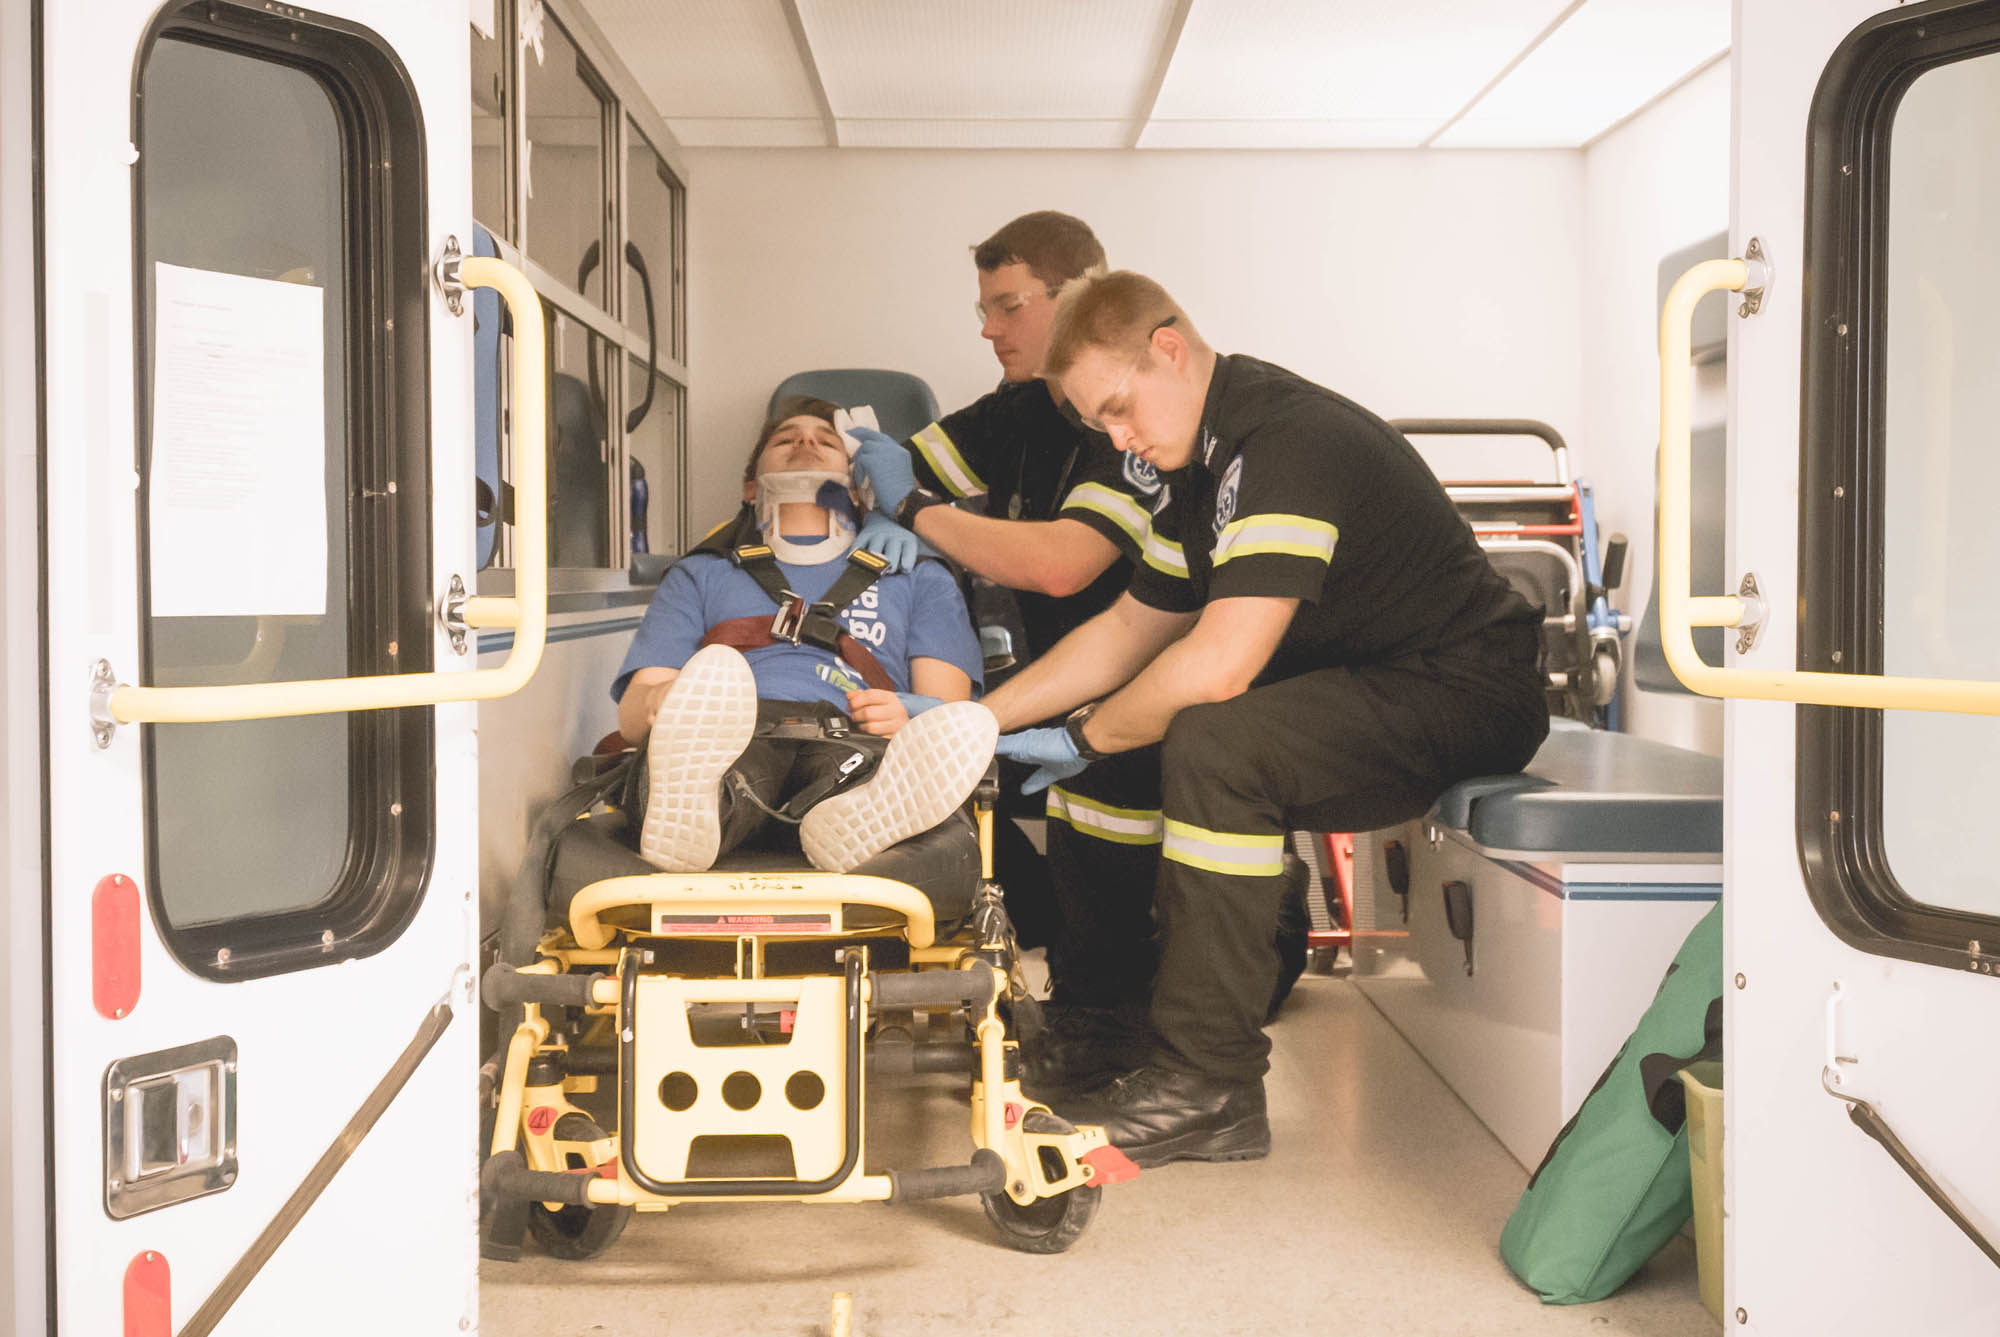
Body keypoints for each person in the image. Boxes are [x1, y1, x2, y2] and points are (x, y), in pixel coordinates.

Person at [978, 270, 1550, 1168]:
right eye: (1100, 427)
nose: (1119, 439)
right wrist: (978, 720)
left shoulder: (1286, 441)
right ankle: (1103, 1028)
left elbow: (1219, 665)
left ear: (1169, 348)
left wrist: (1085, 731)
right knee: (1118, 751)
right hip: (1371, 676)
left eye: (1122, 409)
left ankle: (1211, 1082)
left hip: (1465, 686)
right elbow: (1132, 628)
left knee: (1212, 738)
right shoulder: (1193, 469)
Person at [838, 212, 1188, 1090]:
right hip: (1067, 688)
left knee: (1129, 864)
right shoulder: (1018, 412)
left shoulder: (1130, 425)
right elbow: (894, 470)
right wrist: (861, 480)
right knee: (1077, 872)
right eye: (985, 308)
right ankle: (1088, 1017)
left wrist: (921, 514)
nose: (989, 329)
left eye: (1007, 305)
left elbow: (1067, 565)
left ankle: (1142, 1028)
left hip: (1154, 691)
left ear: (1078, 294)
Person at [612, 397, 994, 874]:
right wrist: (670, 701)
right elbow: (632, 717)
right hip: (733, 731)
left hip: (856, 733)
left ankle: (855, 815)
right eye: (786, 438)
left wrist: (908, 715)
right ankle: (704, 804)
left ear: (861, 488)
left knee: (861, 774)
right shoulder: (701, 573)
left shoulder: (918, 575)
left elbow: (951, 716)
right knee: (732, 770)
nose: (806, 442)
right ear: (751, 487)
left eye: (826, 440)